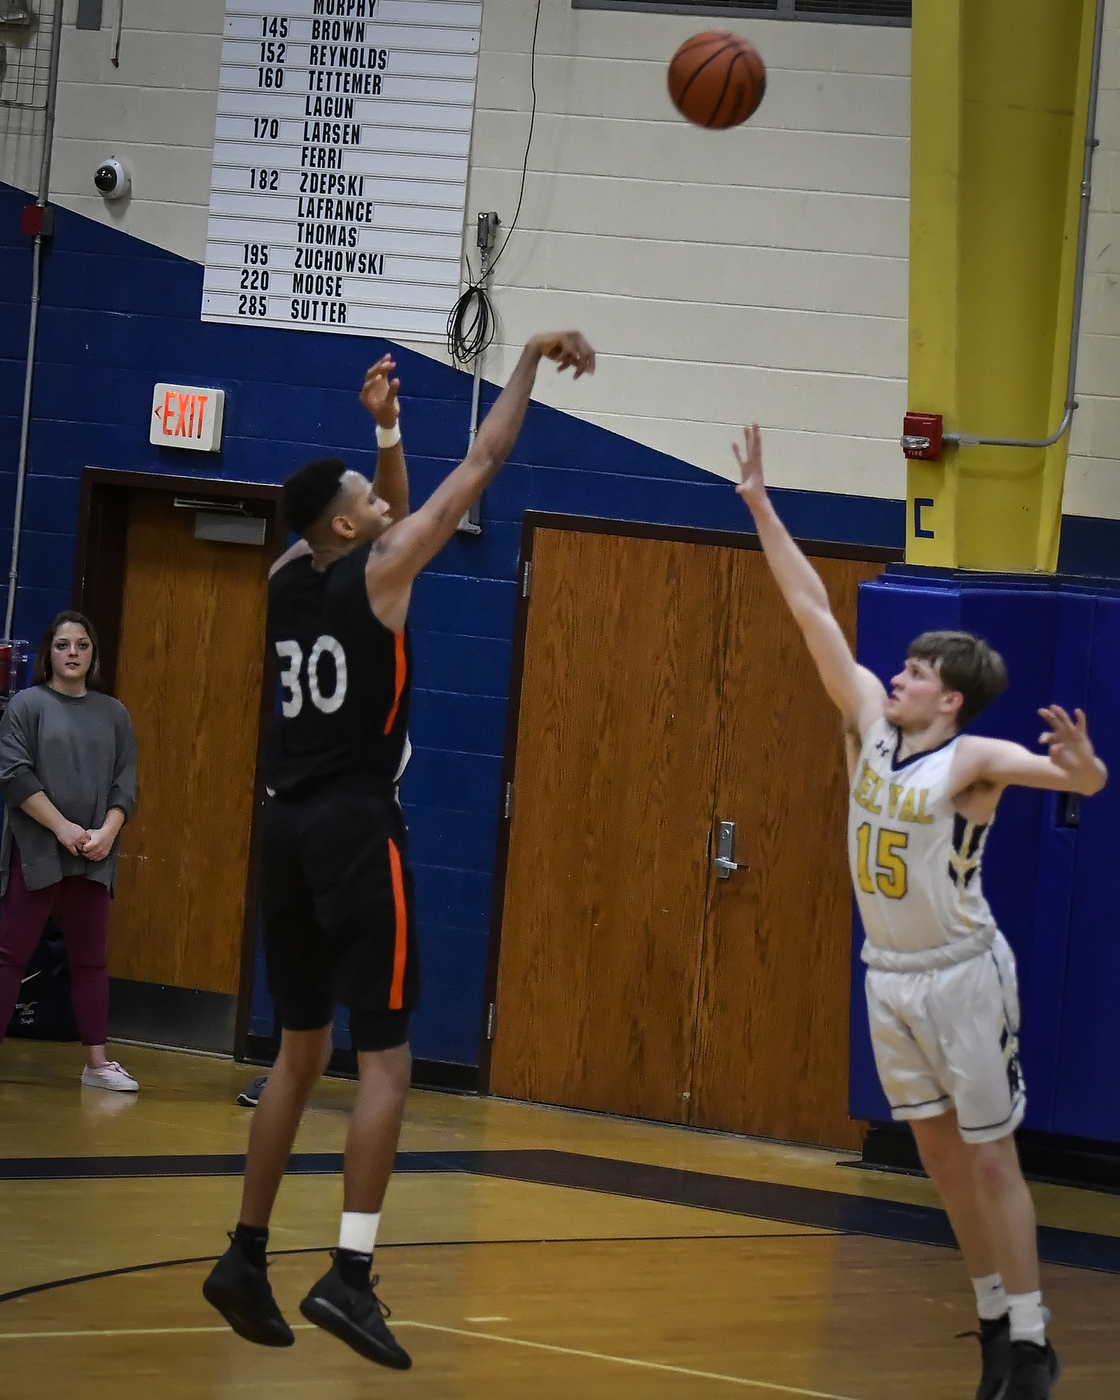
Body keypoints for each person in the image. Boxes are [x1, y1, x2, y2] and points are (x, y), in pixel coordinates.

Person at [203, 332, 595, 1368]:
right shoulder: (381, 577)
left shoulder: (290, 569)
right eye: (369, 498)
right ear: (348, 524)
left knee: (298, 1049)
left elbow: (376, 503)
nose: (386, 500)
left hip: (280, 823)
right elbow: (481, 465)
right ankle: (351, 1271)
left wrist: (383, 428)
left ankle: (244, 1253)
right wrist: (521, 364)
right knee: (386, 1058)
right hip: (351, 823)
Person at [732, 425, 1106, 1400]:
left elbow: (1074, 778)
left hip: (961, 974)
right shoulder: (863, 718)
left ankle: (1031, 1339)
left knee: (988, 1160)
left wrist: (1083, 765)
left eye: (914, 672)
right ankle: (990, 1319)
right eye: (898, 667)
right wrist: (762, 508)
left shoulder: (970, 759)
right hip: (887, 978)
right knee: (939, 1161)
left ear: (948, 697)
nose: (893, 673)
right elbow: (809, 606)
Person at [0, 611, 138, 1090]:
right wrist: (61, 828)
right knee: (9, 954)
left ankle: (97, 1064)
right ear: (49, 654)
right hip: (40, 847)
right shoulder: (25, 706)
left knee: (91, 958)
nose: (73, 653)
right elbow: (14, 776)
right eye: (63, 645)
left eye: (81, 644)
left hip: (94, 854)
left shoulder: (115, 714)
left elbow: (126, 787)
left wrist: (106, 833)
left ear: (92, 653)